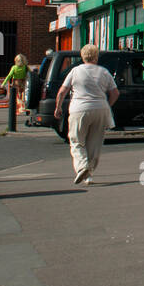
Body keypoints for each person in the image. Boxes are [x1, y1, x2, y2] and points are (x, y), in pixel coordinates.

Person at [53, 44, 118, 186]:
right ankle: (89, 174)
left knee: (76, 141)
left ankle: (82, 167)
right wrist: (108, 105)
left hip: (79, 108)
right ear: (96, 56)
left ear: (82, 56)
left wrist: (58, 107)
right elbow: (115, 93)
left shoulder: (75, 71)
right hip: (100, 108)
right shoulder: (104, 72)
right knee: (94, 144)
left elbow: (62, 91)